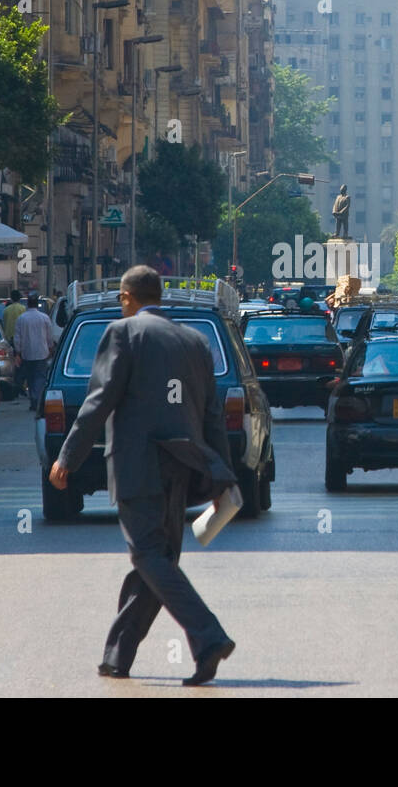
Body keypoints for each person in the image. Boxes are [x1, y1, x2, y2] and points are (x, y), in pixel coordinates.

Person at [49, 266, 239, 685]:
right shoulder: (195, 341)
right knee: (157, 560)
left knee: (149, 557)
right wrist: (221, 477)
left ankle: (209, 636)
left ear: (127, 297)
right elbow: (212, 415)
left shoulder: (123, 333)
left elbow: (99, 400)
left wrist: (68, 457)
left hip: (138, 465)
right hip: (183, 465)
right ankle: (118, 656)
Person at [13, 294, 57, 411]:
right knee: (40, 377)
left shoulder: (21, 319)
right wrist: (51, 348)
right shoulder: (44, 318)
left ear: (28, 304)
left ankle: (34, 399)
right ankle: (38, 399)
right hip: (42, 352)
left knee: (30, 378)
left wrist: (18, 352)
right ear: (37, 304)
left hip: (27, 353)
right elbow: (49, 336)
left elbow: (17, 337)